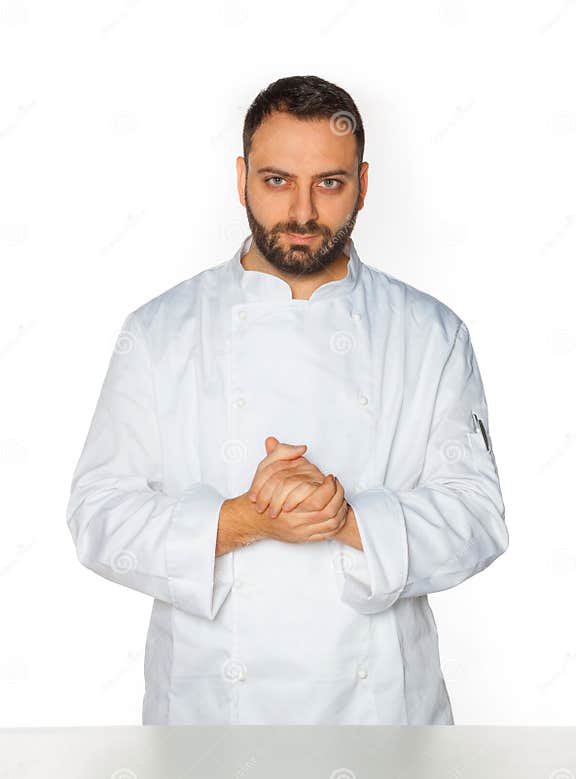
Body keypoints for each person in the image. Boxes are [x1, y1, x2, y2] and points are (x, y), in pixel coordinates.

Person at [66, 74, 509, 725]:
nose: (302, 211)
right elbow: (98, 517)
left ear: (362, 182)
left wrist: (344, 517)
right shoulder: (160, 331)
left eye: (328, 182)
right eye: (277, 180)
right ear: (242, 178)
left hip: (382, 720)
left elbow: (478, 518)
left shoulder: (432, 334)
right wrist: (243, 519)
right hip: (209, 718)